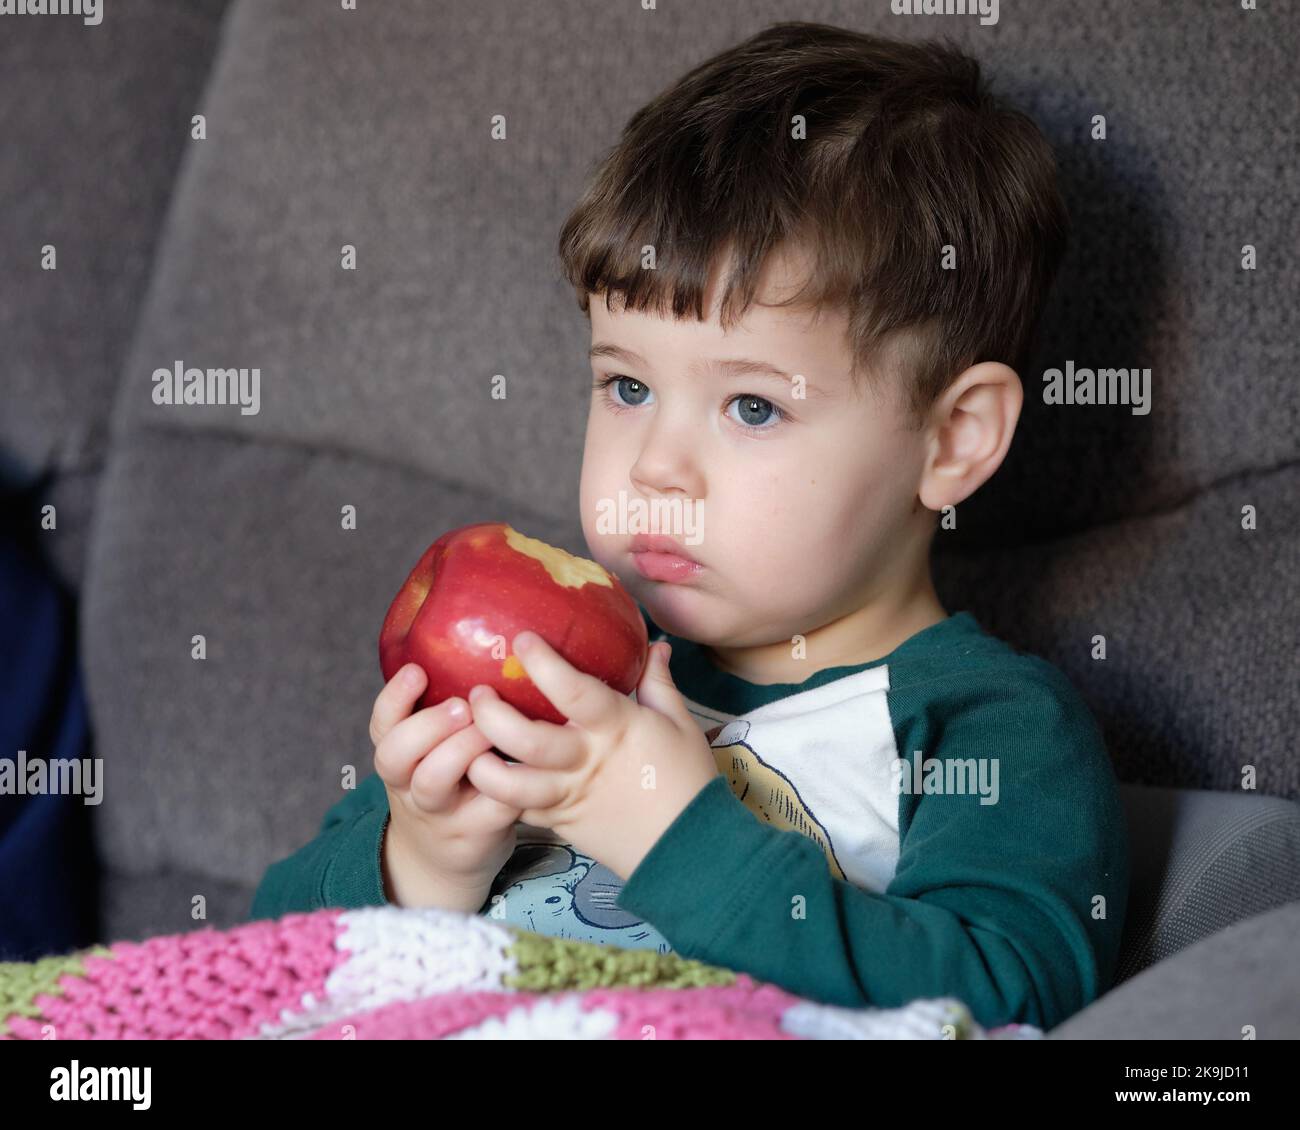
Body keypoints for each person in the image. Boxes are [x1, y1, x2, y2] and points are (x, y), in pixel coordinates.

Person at [251, 22, 1129, 1032]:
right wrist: (420, 855)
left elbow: (1006, 998)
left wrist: (676, 835)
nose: (655, 466)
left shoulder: (987, 728)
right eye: (626, 384)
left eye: (752, 406)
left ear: (951, 439)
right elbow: (263, 959)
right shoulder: (557, 675)